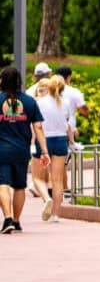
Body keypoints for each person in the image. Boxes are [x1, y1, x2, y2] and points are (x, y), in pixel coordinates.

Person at [0, 66, 48, 235]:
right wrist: (45, 152)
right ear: (19, 81)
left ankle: (7, 218)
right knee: (19, 187)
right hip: (21, 151)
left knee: (2, 185)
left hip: (2, 151)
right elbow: (39, 127)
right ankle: (16, 221)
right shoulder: (29, 101)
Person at [27, 69, 72, 222]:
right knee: (58, 180)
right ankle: (56, 215)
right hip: (61, 141)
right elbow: (67, 125)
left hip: (44, 140)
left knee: (37, 177)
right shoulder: (65, 103)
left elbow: (36, 125)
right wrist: (72, 142)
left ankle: (47, 198)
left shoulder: (39, 102)